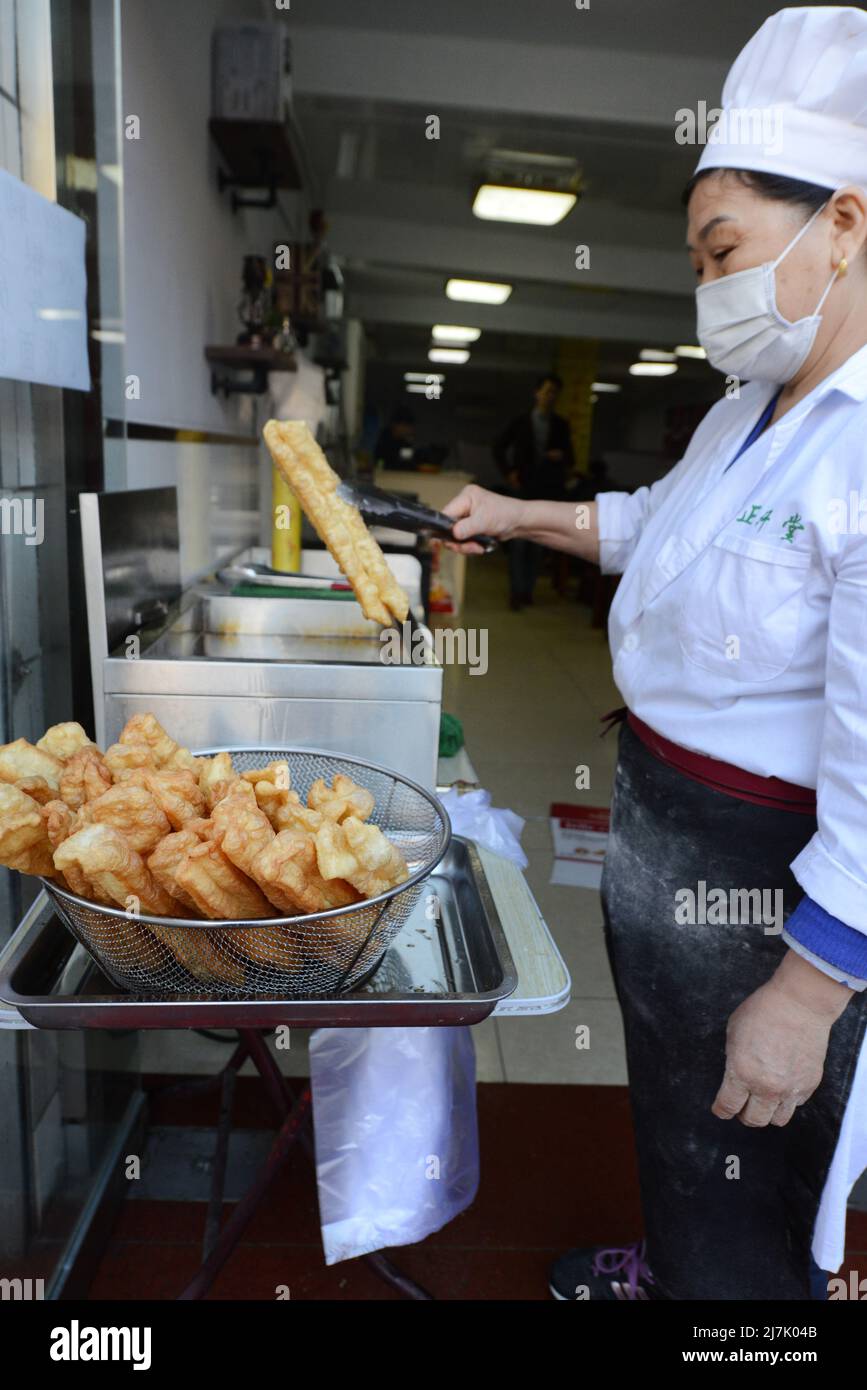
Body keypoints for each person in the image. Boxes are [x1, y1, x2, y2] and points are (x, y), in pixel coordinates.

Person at [443, 4, 867, 1301]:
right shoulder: (749, 408)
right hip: (665, 825)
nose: (707, 289)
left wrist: (808, 984)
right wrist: (520, 514)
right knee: (680, 1110)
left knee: (747, 1138)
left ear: (842, 221)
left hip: (767, 871)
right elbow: (655, 530)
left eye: (722, 248)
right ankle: (679, 1264)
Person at [493, 374, 574, 609]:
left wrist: (560, 456)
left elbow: (571, 456)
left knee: (538, 542)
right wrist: (508, 472)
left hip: (547, 489)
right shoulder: (521, 422)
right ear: (537, 393)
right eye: (547, 391)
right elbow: (498, 447)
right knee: (517, 540)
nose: (550, 397)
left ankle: (527, 590)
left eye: (554, 393)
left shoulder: (560, 425)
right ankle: (516, 591)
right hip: (523, 486)